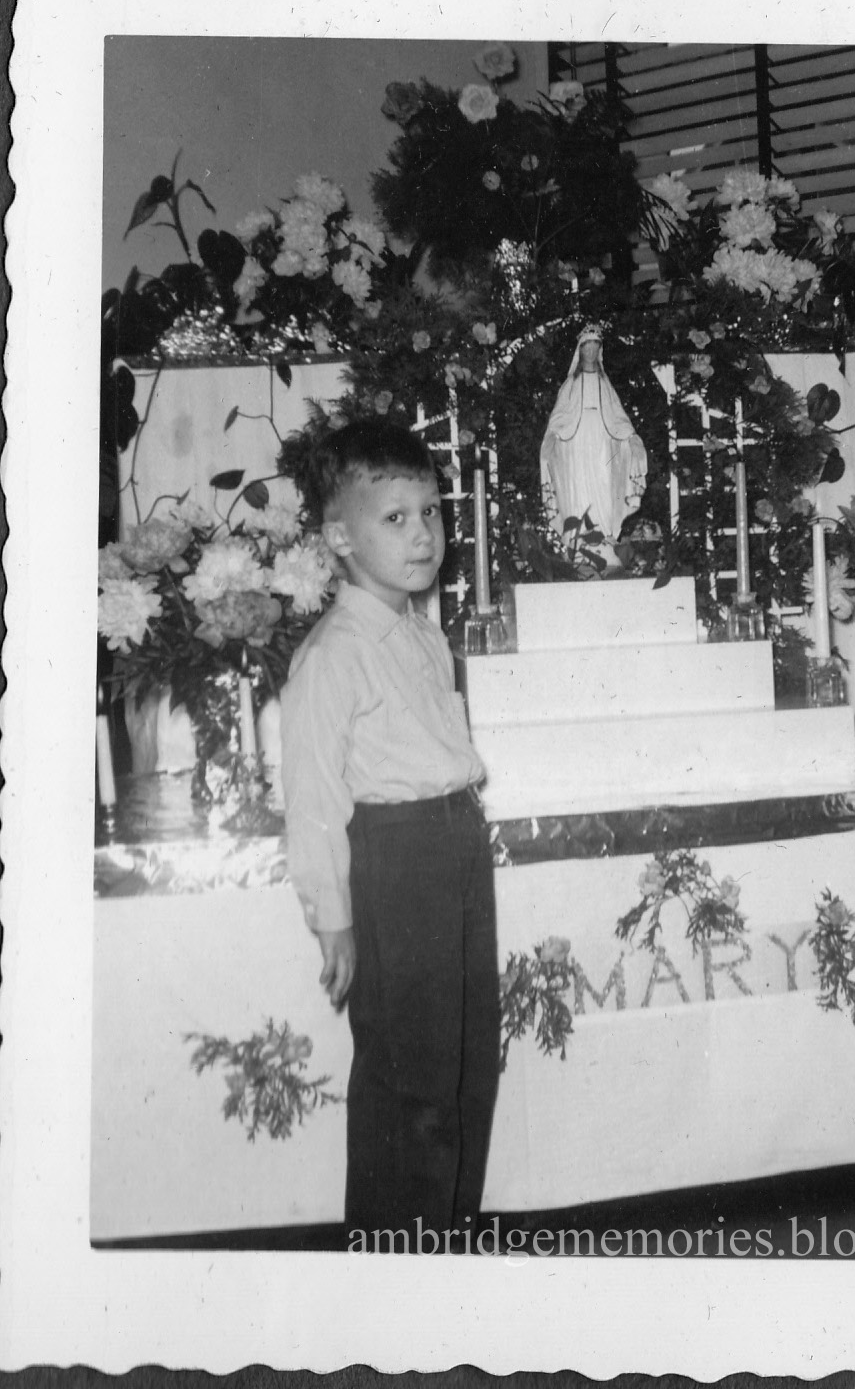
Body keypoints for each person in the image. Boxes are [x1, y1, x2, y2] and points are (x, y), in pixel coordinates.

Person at [281, 421, 497, 1250]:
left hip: (451, 847)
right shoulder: (335, 654)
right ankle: (391, 1270)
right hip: (395, 861)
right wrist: (333, 914)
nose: (423, 535)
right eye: (395, 519)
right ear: (340, 537)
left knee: (462, 1073)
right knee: (411, 1085)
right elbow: (312, 797)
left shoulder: (417, 629)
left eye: (431, 513)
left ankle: (444, 1244)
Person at [540, 324, 648, 550]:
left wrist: (630, 436)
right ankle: (579, 540)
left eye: (594, 348)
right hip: (576, 444)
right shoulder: (571, 384)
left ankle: (604, 535)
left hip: (601, 442)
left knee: (604, 484)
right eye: (586, 348)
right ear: (580, 351)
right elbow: (559, 416)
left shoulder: (604, 384)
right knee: (578, 486)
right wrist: (553, 435)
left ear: (599, 351)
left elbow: (617, 414)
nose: (590, 353)